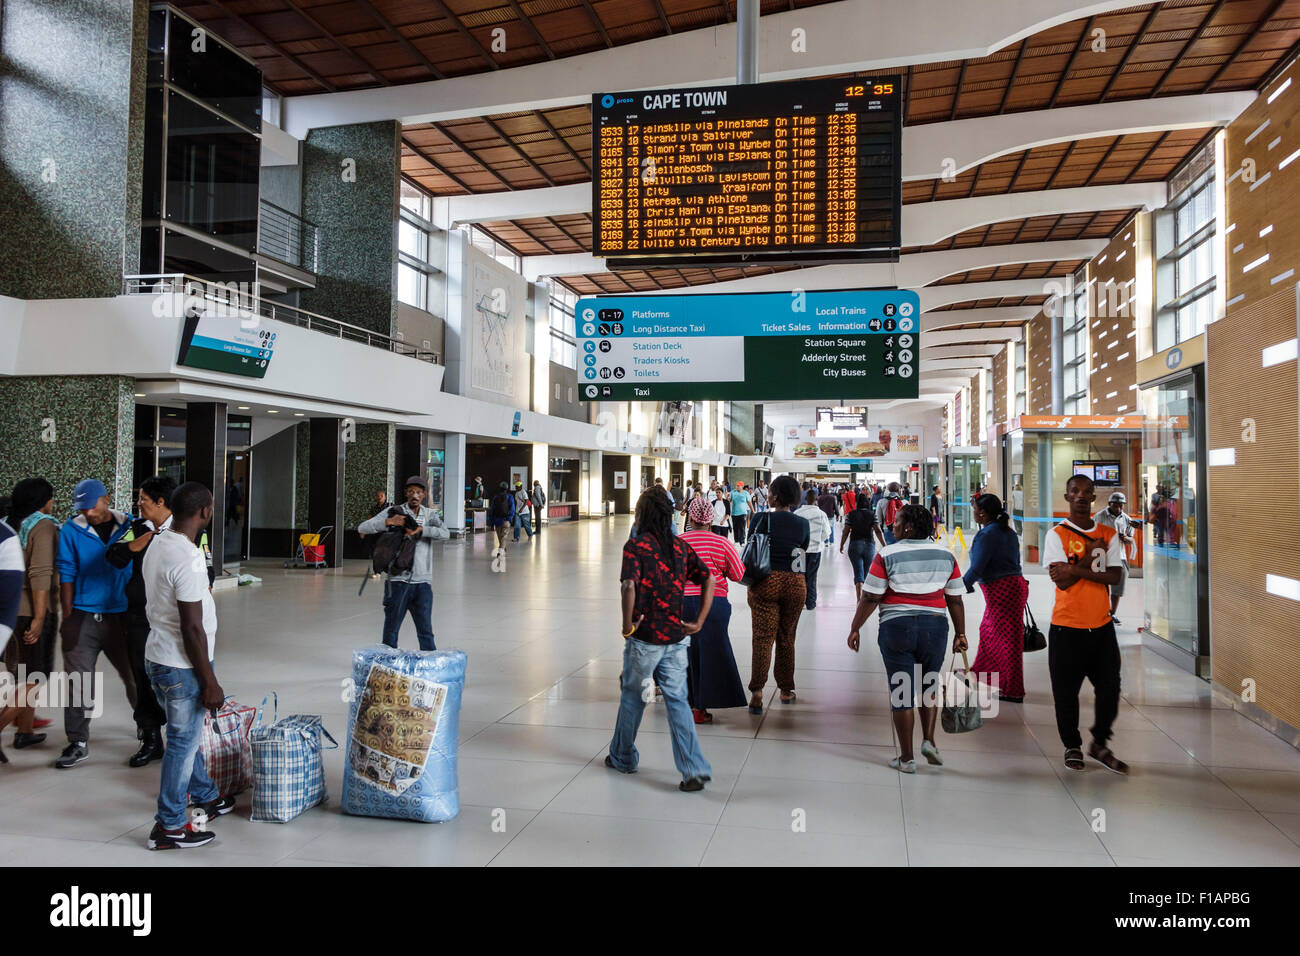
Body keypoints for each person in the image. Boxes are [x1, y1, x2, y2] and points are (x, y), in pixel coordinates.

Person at [607, 487, 715, 791]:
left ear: (641, 514)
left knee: (633, 698)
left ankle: (623, 757)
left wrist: (627, 625)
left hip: (644, 639)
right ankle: (693, 769)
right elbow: (708, 578)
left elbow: (629, 585)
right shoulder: (680, 547)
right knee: (678, 700)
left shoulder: (636, 546)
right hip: (676, 637)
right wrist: (700, 620)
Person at [142, 482, 231, 849]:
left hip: (158, 656)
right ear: (205, 513)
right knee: (182, 742)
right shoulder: (188, 557)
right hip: (182, 665)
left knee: (186, 735)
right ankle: (170, 825)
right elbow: (192, 627)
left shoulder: (159, 543)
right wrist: (209, 681)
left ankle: (207, 795)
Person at [848, 504, 967, 773]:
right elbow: (955, 599)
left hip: (897, 628)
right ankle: (929, 740)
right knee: (929, 684)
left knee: (902, 690)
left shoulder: (888, 554)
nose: (893, 526)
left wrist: (855, 627)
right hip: (935, 628)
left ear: (909, 527)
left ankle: (907, 758)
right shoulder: (945, 554)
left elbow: (871, 596)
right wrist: (960, 634)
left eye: (898, 521)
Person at [1044, 474, 1128, 775]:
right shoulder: (1056, 535)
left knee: (1110, 689)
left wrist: (1078, 566)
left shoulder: (1109, 534)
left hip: (1101, 628)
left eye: (1087, 492)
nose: (1081, 496)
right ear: (1067, 497)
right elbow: (1062, 581)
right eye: (1074, 491)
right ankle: (1072, 745)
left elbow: (1115, 576)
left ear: (1094, 498)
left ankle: (1099, 742)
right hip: (1066, 628)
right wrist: (1094, 558)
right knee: (1065, 693)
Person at [54, 479, 138, 769]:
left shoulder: (130, 526)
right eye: (82, 508)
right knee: (79, 682)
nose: (88, 513)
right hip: (83, 615)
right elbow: (66, 573)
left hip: (121, 615)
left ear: (105, 499)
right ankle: (77, 741)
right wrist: (69, 617)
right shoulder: (71, 530)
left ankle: (147, 729)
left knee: (134, 676)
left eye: (91, 506)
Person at [105, 475, 175, 767]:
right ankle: (150, 739)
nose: (138, 503)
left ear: (161, 502)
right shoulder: (136, 529)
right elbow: (114, 555)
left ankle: (184, 741)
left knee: (174, 679)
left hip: (173, 621)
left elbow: (205, 573)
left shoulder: (188, 530)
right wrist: (134, 547)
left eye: (143, 499)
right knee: (142, 676)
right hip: (138, 618)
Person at [356, 476, 449, 650]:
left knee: (426, 632)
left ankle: (429, 669)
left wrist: (423, 530)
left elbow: (446, 533)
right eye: (411, 491)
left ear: (424, 495)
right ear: (406, 493)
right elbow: (362, 527)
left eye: (419, 492)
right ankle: (387, 669)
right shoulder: (393, 511)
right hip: (397, 582)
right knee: (391, 631)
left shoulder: (430, 515)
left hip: (422, 583)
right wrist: (388, 522)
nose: (415, 495)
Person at [2, 478, 60, 751]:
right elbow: (40, 573)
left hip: (8, 611)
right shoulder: (43, 525)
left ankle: (24, 731)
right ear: (43, 501)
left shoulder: (7, 523)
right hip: (30, 611)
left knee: (23, 674)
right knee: (35, 676)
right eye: (51, 498)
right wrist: (39, 617)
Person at [680, 497, 747, 724]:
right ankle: (701, 708)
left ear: (690, 518)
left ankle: (686, 702)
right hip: (714, 605)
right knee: (711, 654)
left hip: (682, 604)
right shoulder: (721, 543)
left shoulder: (676, 543)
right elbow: (738, 575)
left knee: (686, 653)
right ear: (711, 520)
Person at [745, 475, 810, 714]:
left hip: (766, 581)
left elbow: (749, 542)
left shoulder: (761, 518)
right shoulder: (802, 524)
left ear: (775, 496)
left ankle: (757, 692)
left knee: (763, 638)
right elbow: (801, 552)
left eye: (770, 492)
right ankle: (785, 689)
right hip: (795, 582)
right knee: (787, 636)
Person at [963, 493, 1029, 703]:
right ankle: (980, 674)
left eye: (974, 509)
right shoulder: (1007, 531)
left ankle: (1013, 688)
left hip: (1002, 589)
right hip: (1013, 587)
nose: (973, 513)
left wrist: (959, 586)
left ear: (982, 513)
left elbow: (977, 567)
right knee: (989, 630)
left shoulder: (988, 534)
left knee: (1007, 638)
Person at [1094, 491, 1135, 625]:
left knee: (1118, 586)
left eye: (1120, 505)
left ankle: (1113, 613)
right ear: (1109, 504)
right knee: (1100, 586)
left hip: (1120, 556)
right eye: (1115, 504)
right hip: (1102, 556)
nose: (1118, 507)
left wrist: (1124, 538)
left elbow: (1130, 539)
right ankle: (1101, 612)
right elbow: (1092, 536)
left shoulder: (1127, 520)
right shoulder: (1099, 517)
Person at [841, 494, 886, 603]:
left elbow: (845, 532)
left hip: (855, 545)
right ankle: (864, 600)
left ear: (857, 503)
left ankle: (858, 600)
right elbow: (878, 531)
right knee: (865, 574)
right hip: (869, 546)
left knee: (858, 573)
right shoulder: (872, 514)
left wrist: (841, 545)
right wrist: (884, 545)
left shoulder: (851, 514)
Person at [795, 489, 831, 610]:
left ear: (806, 499)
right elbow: (826, 533)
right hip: (815, 550)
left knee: (799, 576)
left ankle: (798, 602)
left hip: (800, 551)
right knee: (812, 576)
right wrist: (817, 540)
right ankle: (810, 603)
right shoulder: (821, 514)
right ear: (817, 500)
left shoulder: (798, 513)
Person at [485, 481, 515, 553]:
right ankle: (501, 551)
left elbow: (492, 510)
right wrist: (509, 519)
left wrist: (491, 523)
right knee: (504, 537)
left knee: (500, 538)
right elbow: (512, 509)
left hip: (497, 521)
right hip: (506, 521)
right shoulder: (510, 497)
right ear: (507, 489)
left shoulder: (495, 497)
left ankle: (502, 548)